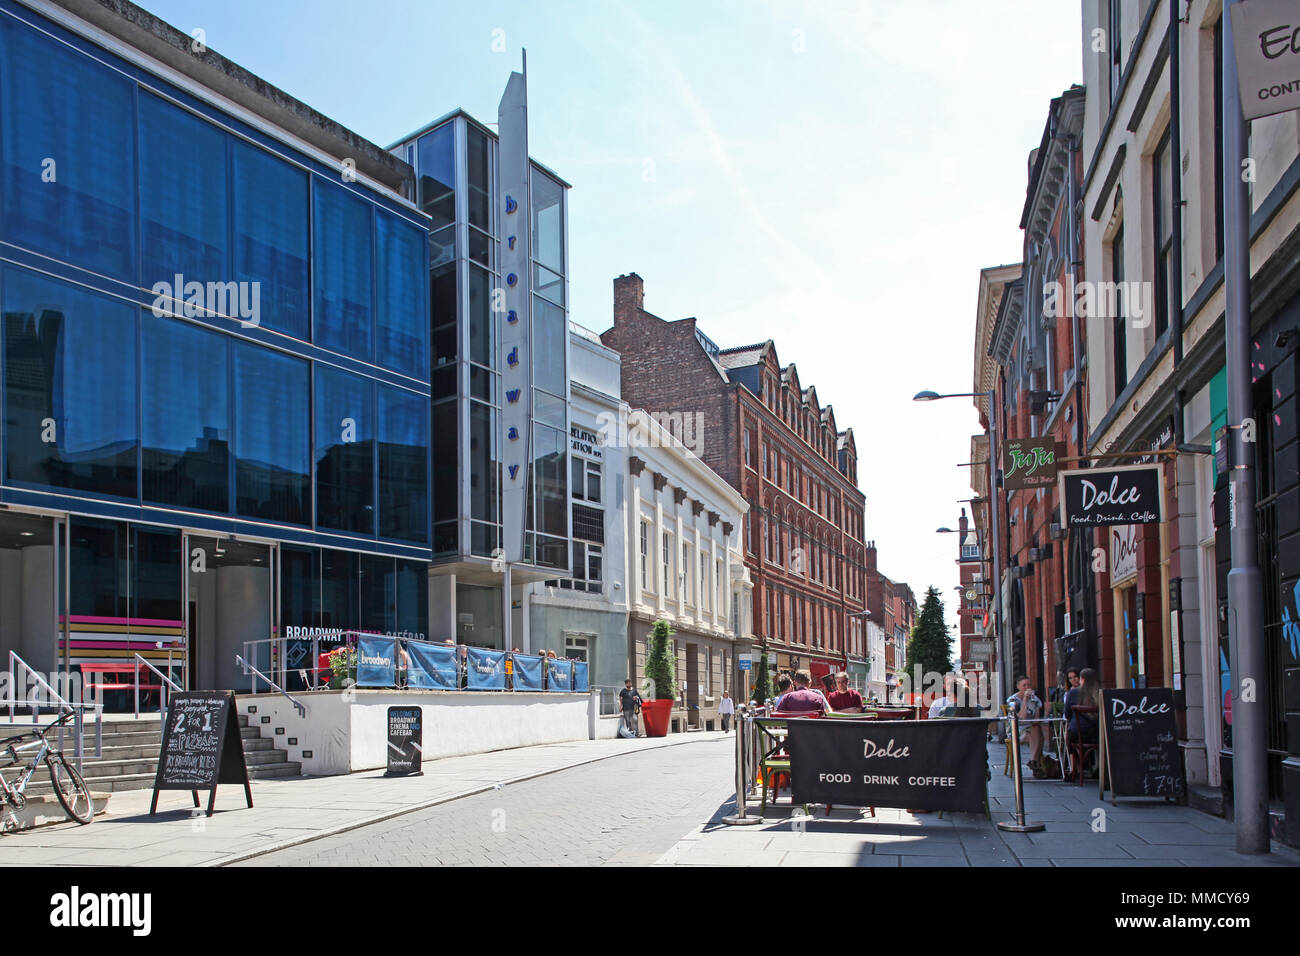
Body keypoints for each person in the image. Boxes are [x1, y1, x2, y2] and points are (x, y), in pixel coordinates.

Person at [1006, 675, 1047, 770]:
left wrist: (1046, 713)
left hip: (1031, 729)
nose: (1027, 688)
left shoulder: (1035, 699)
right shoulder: (1012, 700)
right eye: (1024, 685)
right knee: (1039, 738)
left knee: (1037, 729)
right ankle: (1036, 763)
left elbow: (1036, 720)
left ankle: (1033, 762)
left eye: (1029, 685)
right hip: (1017, 730)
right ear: (1018, 687)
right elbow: (1021, 718)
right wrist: (1024, 700)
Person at [1064, 666, 1100, 747]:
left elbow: (1067, 715)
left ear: (1082, 680)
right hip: (1097, 734)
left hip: (1077, 733)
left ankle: (1077, 759)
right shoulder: (1099, 694)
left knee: (1071, 735)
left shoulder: (1073, 693)